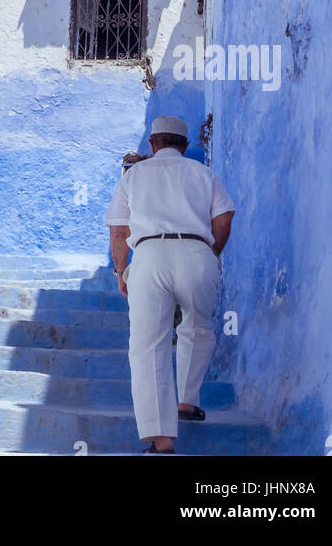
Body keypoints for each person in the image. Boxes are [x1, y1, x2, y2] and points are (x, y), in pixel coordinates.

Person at [104, 115, 235, 455]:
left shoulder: (134, 177)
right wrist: (211, 252)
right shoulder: (203, 174)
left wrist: (121, 271)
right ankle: (187, 402)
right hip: (196, 250)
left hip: (149, 254)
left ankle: (161, 440)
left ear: (152, 144)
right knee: (198, 327)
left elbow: (119, 230)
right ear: (185, 146)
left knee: (149, 344)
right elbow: (224, 216)